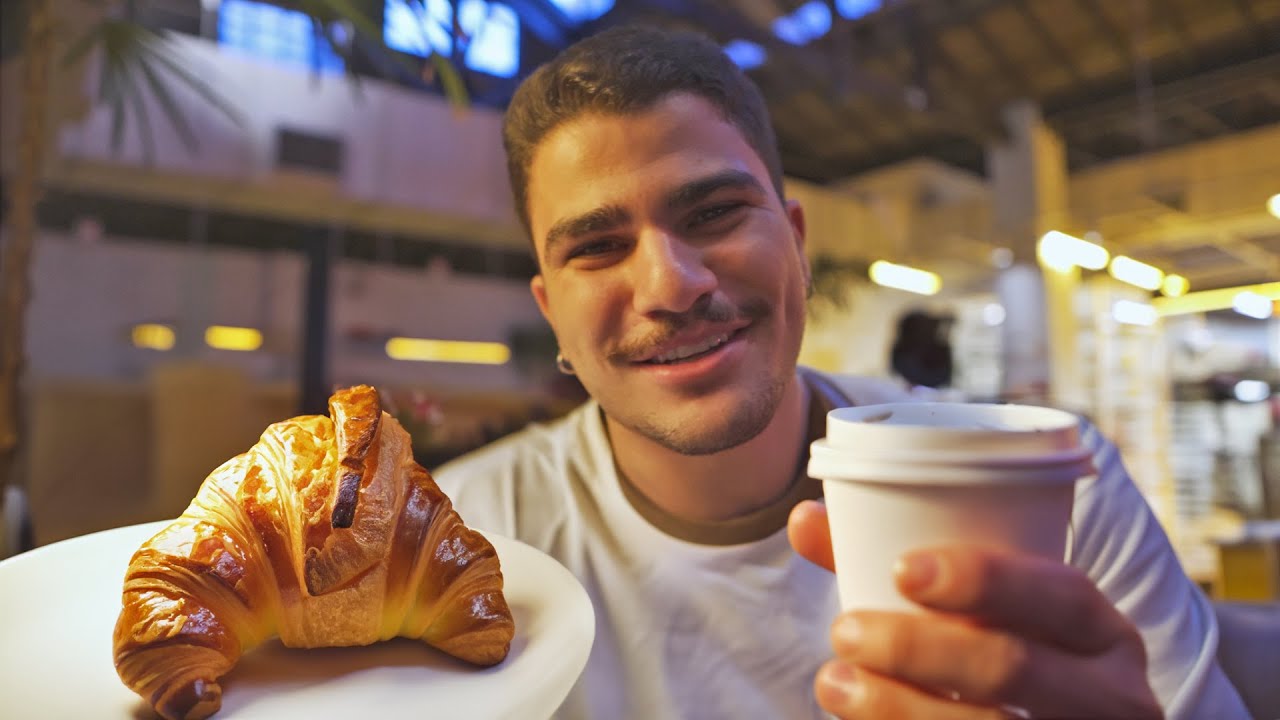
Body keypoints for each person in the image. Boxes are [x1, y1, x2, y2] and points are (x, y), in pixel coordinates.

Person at [434, 25, 1248, 720]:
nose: (670, 286)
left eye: (714, 213)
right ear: (551, 311)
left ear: (796, 241)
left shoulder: (1049, 491)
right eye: (598, 247)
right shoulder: (458, 542)